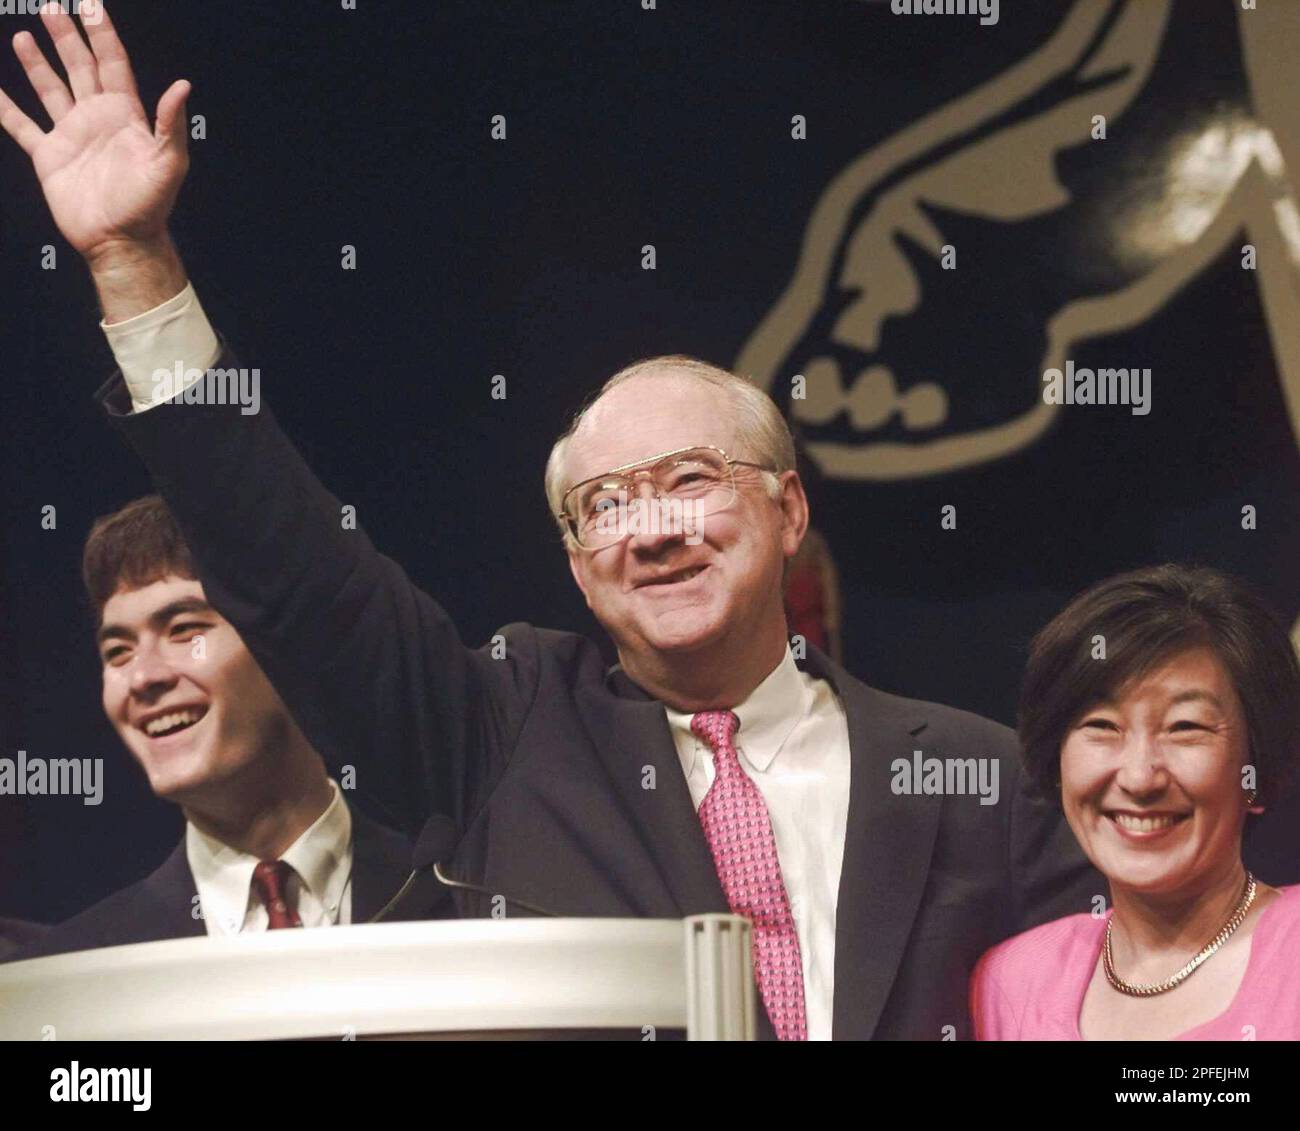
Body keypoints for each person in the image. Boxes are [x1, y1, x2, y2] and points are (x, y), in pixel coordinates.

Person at [0, 5, 1098, 1037]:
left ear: (788, 506)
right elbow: (289, 570)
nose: (652, 528)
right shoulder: (499, 737)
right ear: (577, 566)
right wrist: (133, 266)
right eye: (605, 505)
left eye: (689, 479)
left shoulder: (982, 781)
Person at [15, 497, 446, 961]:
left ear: (290, 645)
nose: (142, 678)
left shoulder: (464, 901)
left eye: (183, 629)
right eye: (118, 651)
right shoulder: (69, 975)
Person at [972, 564, 1300, 1040]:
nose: (1140, 776)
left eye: (1185, 727)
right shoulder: (1011, 981)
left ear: (1256, 762)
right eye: (1102, 726)